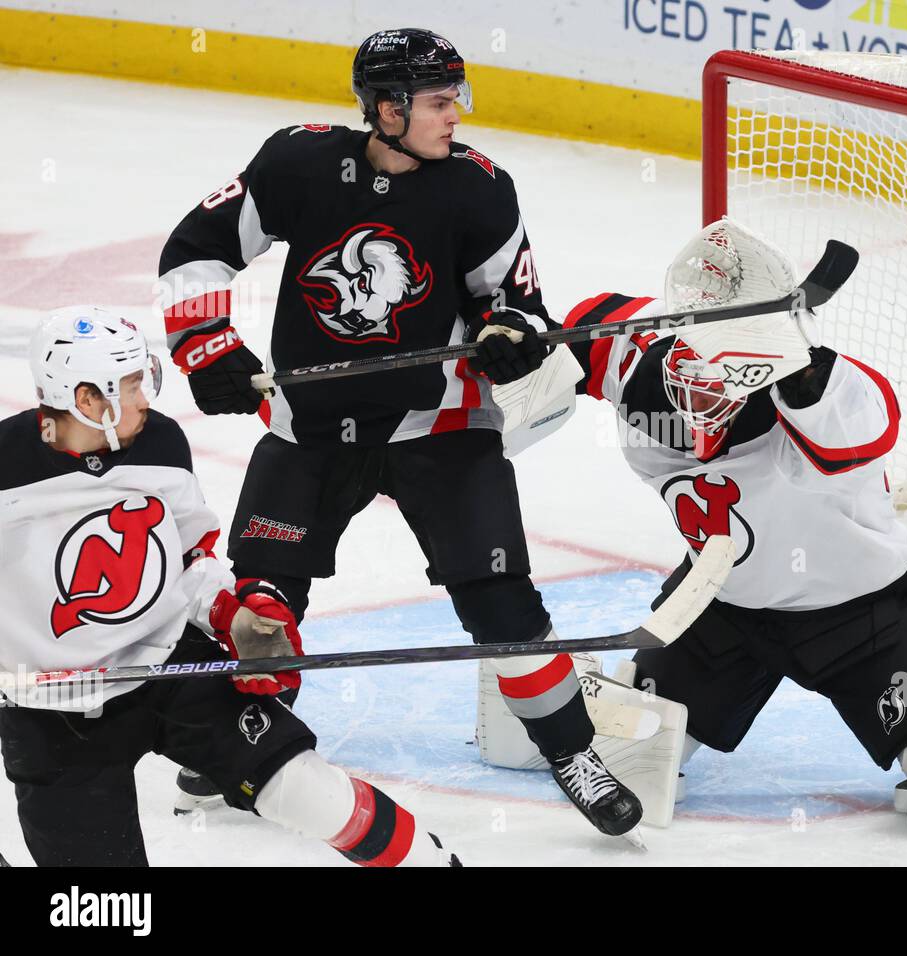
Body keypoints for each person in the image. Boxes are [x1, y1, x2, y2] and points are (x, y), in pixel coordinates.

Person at [155, 27, 640, 837]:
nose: (457, 116)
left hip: (440, 428)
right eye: (439, 102)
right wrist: (210, 351)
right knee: (262, 607)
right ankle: (247, 747)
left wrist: (513, 337)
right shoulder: (298, 164)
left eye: (457, 99)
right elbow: (195, 250)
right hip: (310, 429)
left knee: (504, 610)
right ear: (385, 109)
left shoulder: (480, 189)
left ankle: (573, 751)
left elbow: (512, 302)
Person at [533, 220, 907, 834]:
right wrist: (518, 347)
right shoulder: (633, 352)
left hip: (860, 613)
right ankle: (561, 694)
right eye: (689, 379)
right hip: (721, 609)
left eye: (723, 381)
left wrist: (795, 365)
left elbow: (865, 424)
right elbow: (566, 342)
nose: (701, 404)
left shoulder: (824, 392)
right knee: (625, 757)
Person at [0, 307, 459, 866]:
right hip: (55, 712)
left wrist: (231, 614)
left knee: (306, 787)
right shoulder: (7, 469)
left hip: (170, 666)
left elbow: (189, 556)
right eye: (130, 385)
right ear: (85, 398)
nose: (145, 399)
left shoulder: (161, 444)